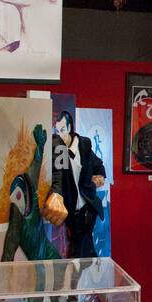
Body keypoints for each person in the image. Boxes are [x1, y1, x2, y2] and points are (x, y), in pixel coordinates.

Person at [50, 110, 106, 259]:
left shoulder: (84, 144)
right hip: (71, 210)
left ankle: (80, 272)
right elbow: (58, 176)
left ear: (69, 127)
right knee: (81, 249)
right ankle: (84, 267)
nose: (59, 134)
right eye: (57, 130)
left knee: (80, 248)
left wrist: (98, 178)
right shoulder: (58, 147)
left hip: (87, 206)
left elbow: (98, 165)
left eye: (62, 129)